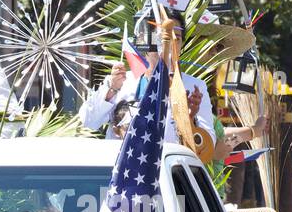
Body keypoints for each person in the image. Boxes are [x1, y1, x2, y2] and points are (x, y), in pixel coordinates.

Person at [78, 9, 214, 147]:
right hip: (122, 165)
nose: (168, 44)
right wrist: (111, 90)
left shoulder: (194, 87)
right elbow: (88, 121)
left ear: (181, 45)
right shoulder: (121, 82)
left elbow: (209, 144)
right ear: (144, 39)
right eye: (162, 37)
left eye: (176, 38)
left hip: (168, 165)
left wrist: (189, 120)